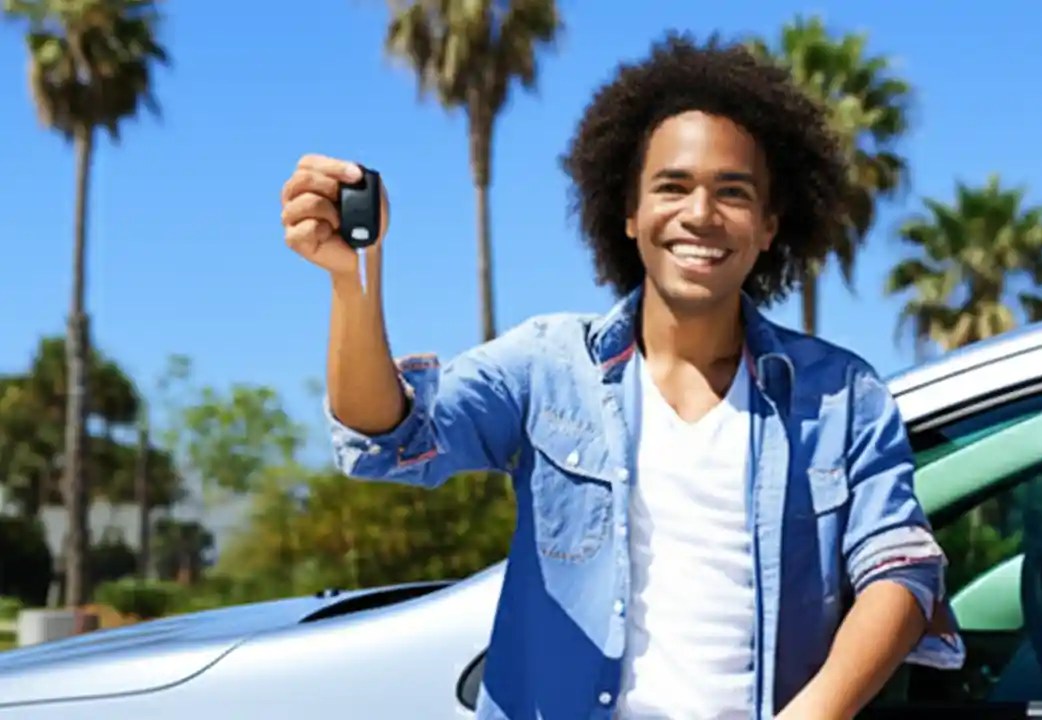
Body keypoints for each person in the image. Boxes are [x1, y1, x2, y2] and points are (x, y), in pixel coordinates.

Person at [280, 32, 964, 720]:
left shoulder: (841, 397)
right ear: (630, 214)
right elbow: (391, 435)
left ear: (767, 226)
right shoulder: (547, 366)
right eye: (673, 187)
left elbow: (900, 571)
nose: (700, 214)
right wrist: (351, 281)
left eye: (733, 192)